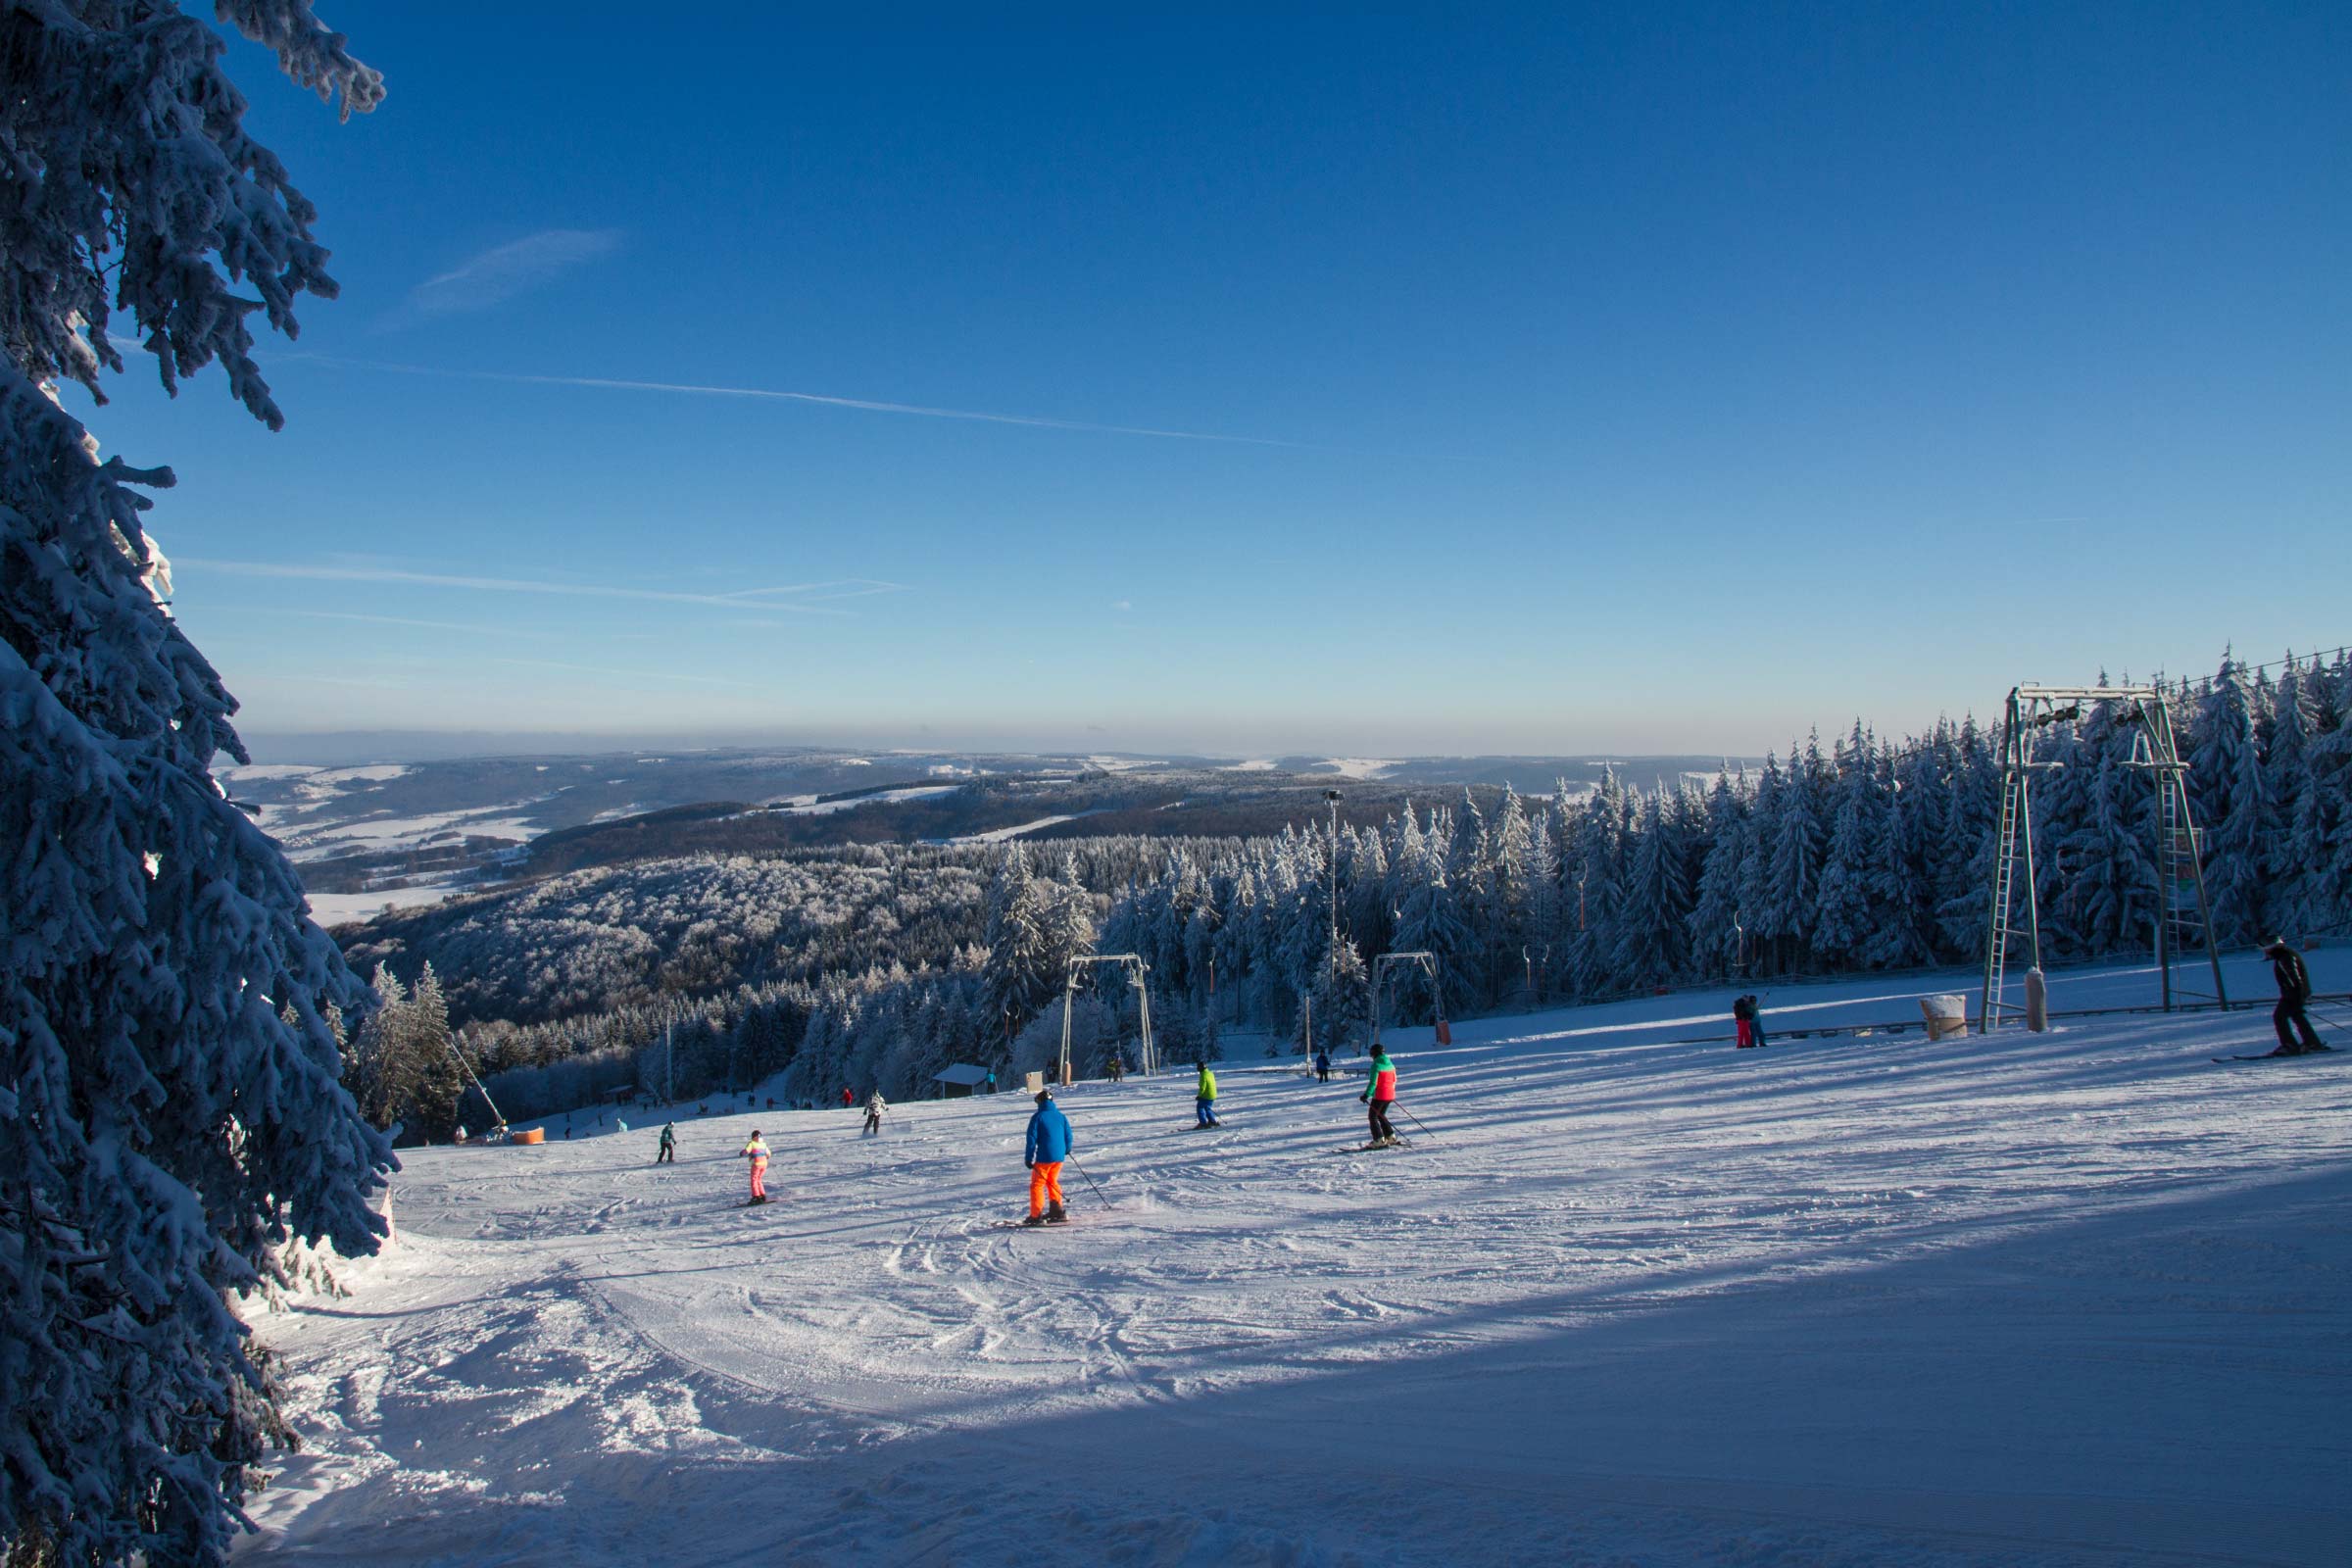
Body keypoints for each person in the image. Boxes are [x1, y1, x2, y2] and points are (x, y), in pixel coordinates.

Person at [2262, 939, 2329, 1055]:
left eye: (2265, 949)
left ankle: (2290, 1046)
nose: (2264, 952)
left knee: (2279, 1017)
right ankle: (2312, 1043)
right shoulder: (2284, 955)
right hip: (2294, 993)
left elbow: (2293, 977)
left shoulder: (2285, 957)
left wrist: (2297, 994)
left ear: (2272, 947)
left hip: (2292, 994)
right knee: (2297, 1016)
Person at [1023, 1090, 1072, 1225]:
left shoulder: (1038, 1117)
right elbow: (1068, 1135)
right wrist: (1067, 1149)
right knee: (1052, 1181)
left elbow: (1031, 1139)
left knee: (1037, 1185)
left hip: (1044, 1157)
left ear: (1040, 1102)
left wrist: (1028, 1158)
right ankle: (1057, 1210)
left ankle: (1036, 1216)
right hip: (1059, 1157)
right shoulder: (1061, 1116)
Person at [1360, 1047, 1400, 1147]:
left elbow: (1373, 1083)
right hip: (1390, 1094)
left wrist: (1366, 1095)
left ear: (1374, 1054)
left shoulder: (1376, 1065)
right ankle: (1391, 1137)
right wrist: (1390, 1091)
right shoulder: (1390, 1064)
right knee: (1381, 1115)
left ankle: (1378, 1139)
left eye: (1371, 1054)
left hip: (1380, 1095)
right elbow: (1394, 1079)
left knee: (1372, 1116)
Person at [740, 1130, 770, 1204]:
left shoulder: (752, 1143)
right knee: (759, 1179)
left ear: (753, 1137)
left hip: (756, 1164)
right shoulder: (763, 1144)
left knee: (754, 1180)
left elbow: (747, 1150)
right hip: (764, 1164)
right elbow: (768, 1154)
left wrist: (741, 1153)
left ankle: (756, 1196)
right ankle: (762, 1195)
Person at [1195, 1061, 1221, 1127]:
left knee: (1200, 1107)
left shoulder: (1203, 1075)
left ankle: (1203, 1124)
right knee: (1207, 1108)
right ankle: (1212, 1121)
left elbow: (1202, 1087)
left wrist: (1199, 1096)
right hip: (1213, 1094)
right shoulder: (1210, 1073)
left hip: (1207, 1095)